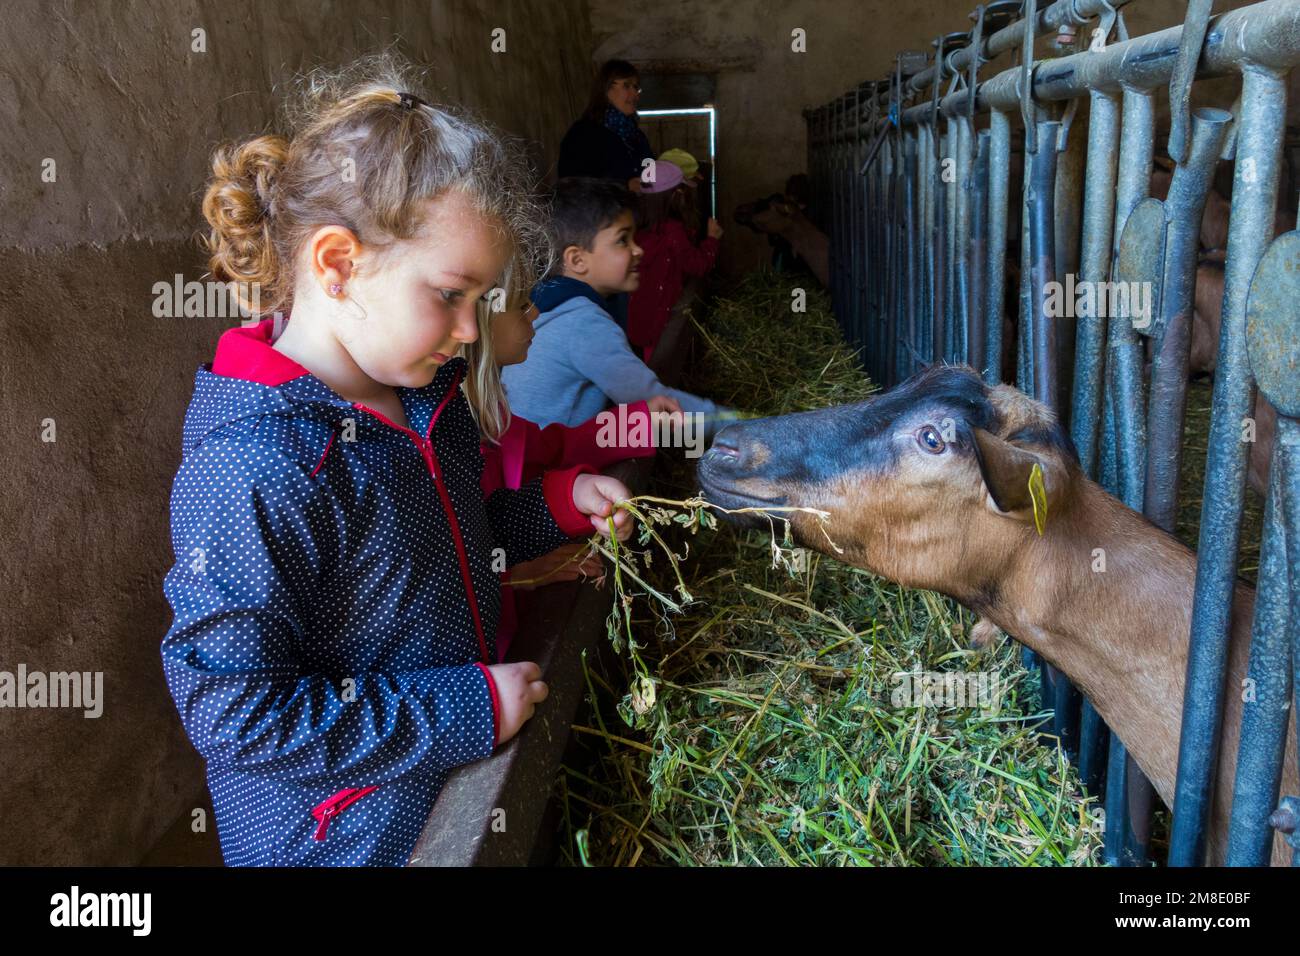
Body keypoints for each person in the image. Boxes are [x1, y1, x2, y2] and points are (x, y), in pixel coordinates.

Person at [160, 57, 633, 867]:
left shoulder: (426, 397)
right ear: (338, 265)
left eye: (482, 300)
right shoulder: (252, 467)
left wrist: (559, 500)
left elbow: (454, 542)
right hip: (342, 842)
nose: (472, 332)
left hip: (445, 799)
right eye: (451, 295)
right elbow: (237, 713)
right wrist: (465, 710)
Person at [472, 292, 681, 661]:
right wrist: (515, 575)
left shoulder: (492, 416)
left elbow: (556, 448)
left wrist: (635, 425)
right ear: (472, 317)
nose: (535, 311)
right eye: (521, 303)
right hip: (493, 660)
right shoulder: (444, 438)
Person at [500, 177, 736, 436]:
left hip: (520, 455)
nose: (639, 250)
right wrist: (734, 422)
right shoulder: (585, 324)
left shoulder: (546, 300)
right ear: (577, 259)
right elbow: (652, 401)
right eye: (623, 241)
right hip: (551, 466)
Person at [628, 159, 722, 362]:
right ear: (676, 195)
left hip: (640, 317)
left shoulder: (637, 226)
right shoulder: (672, 231)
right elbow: (698, 265)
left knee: (646, 361)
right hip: (661, 320)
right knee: (658, 368)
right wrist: (712, 240)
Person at [557, 59, 654, 191]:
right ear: (606, 89)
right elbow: (572, 185)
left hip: (635, 210)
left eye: (636, 87)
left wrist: (670, 176)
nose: (635, 94)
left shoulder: (637, 136)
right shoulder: (583, 134)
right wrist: (625, 186)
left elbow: (650, 171)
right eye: (626, 85)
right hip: (600, 211)